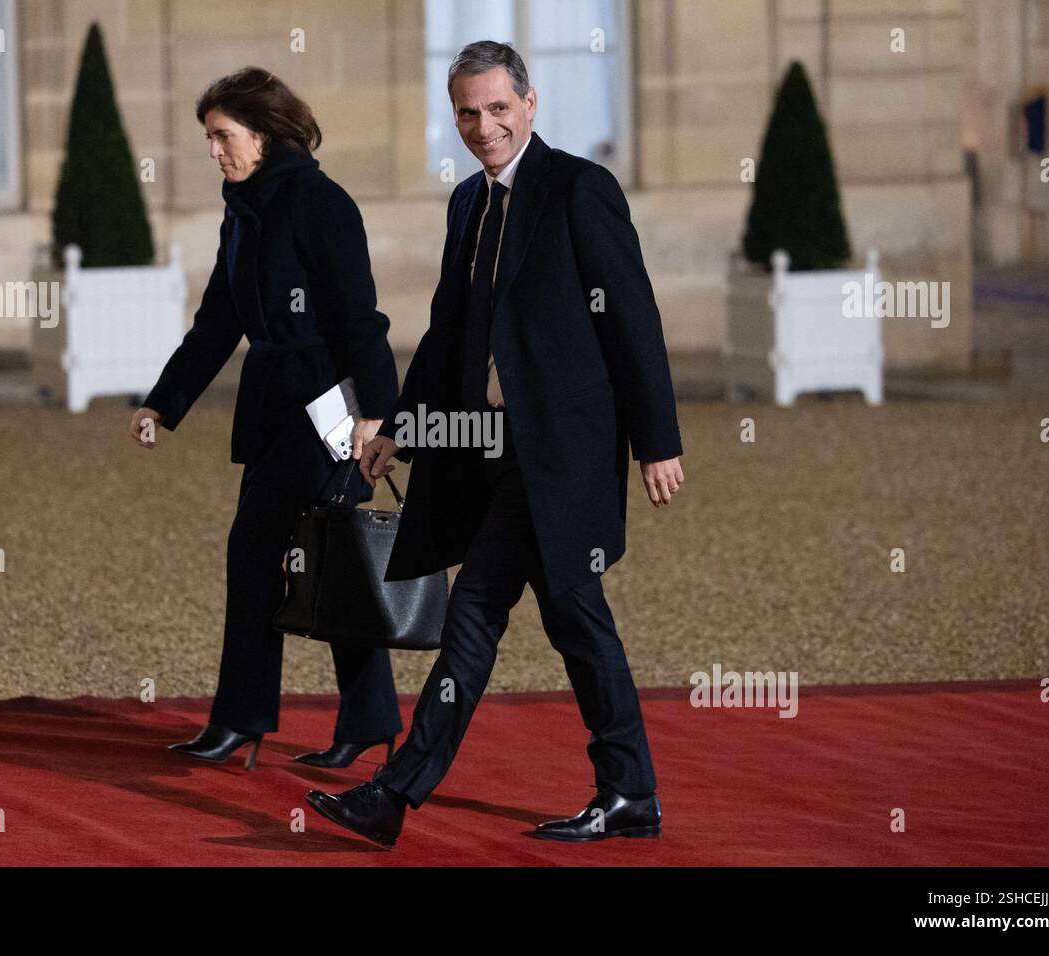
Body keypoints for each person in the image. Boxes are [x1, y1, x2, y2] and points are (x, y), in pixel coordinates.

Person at [306, 41, 685, 846]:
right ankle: (632, 794)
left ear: (530, 103)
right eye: (468, 114)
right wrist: (400, 427)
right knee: (576, 620)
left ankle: (396, 794)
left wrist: (658, 441)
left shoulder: (581, 190)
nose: (484, 127)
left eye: (498, 109)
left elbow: (634, 321)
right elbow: (448, 337)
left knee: (475, 611)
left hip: (561, 455)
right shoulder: (466, 205)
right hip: (483, 446)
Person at [129, 68, 403, 770]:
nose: (214, 150)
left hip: (331, 415)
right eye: (209, 139)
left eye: (223, 136)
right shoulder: (240, 210)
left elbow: (360, 321)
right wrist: (165, 401)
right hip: (272, 413)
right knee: (251, 559)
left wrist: (380, 417)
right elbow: (219, 319)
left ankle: (368, 721)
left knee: (337, 568)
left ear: (264, 132)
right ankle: (241, 719)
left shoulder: (322, 203)